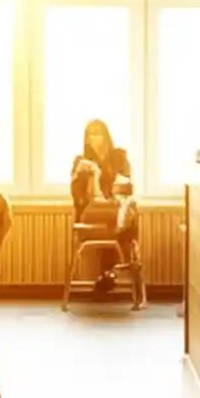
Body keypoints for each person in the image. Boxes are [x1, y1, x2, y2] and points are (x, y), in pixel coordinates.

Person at [70, 119, 136, 293]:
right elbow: (78, 197)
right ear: (86, 139)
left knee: (122, 212)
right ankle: (113, 270)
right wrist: (81, 175)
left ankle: (108, 272)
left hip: (116, 206)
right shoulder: (82, 162)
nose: (94, 137)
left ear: (106, 135)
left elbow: (127, 187)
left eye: (98, 132)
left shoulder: (119, 157)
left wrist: (115, 195)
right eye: (90, 134)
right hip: (92, 212)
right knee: (122, 219)